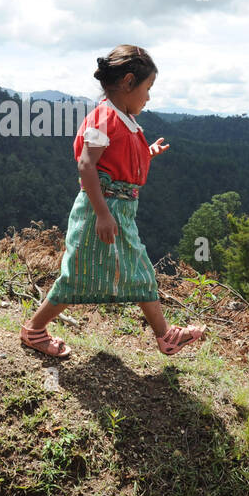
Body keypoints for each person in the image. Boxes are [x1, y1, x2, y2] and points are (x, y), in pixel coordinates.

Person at [19, 45, 206, 359]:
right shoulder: (104, 118)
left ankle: (166, 337)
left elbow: (113, 161)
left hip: (120, 210)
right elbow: (86, 165)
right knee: (79, 274)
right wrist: (103, 215)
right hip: (101, 209)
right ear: (129, 82)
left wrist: (147, 154)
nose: (149, 97)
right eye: (147, 89)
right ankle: (35, 329)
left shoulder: (122, 118)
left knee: (139, 270)